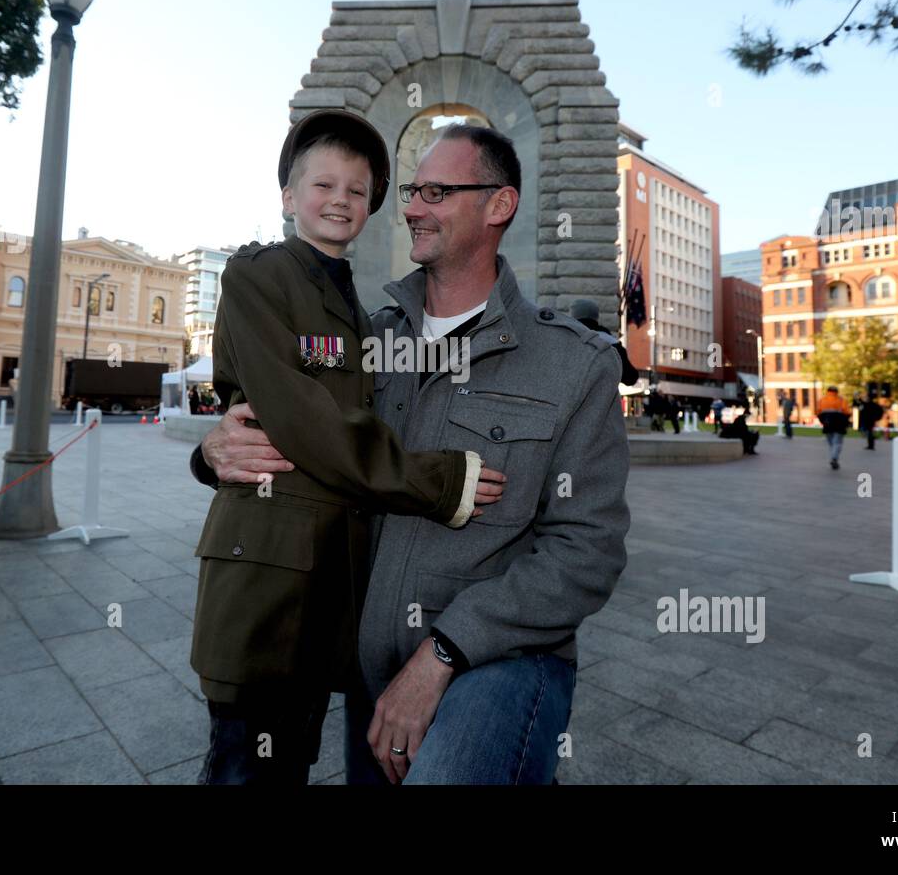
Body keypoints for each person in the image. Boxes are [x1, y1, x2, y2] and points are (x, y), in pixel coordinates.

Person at [198, 124, 630, 785]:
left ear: (498, 205)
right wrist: (212, 452)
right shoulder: (365, 342)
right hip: (367, 665)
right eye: (410, 191)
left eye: (435, 191)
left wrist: (444, 652)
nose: (410, 207)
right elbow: (306, 431)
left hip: (499, 659)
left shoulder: (574, 362)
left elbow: (586, 552)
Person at [187, 109, 507, 786]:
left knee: (288, 765)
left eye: (357, 192)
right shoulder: (259, 275)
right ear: (286, 198)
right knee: (246, 768)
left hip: (324, 588)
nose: (339, 200)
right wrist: (437, 482)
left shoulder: (354, 307)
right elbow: (305, 419)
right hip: (264, 584)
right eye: (322, 185)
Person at [569, 298, 639, 387]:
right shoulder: (612, 343)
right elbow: (630, 378)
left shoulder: (563, 339)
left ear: (573, 316)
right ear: (596, 317)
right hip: (602, 398)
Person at [817, 385, 853, 470]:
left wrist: (823, 421)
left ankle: (833, 457)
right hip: (839, 425)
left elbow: (818, 412)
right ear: (837, 392)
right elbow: (847, 412)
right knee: (837, 443)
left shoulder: (822, 400)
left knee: (831, 443)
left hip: (827, 425)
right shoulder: (841, 400)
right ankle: (834, 458)